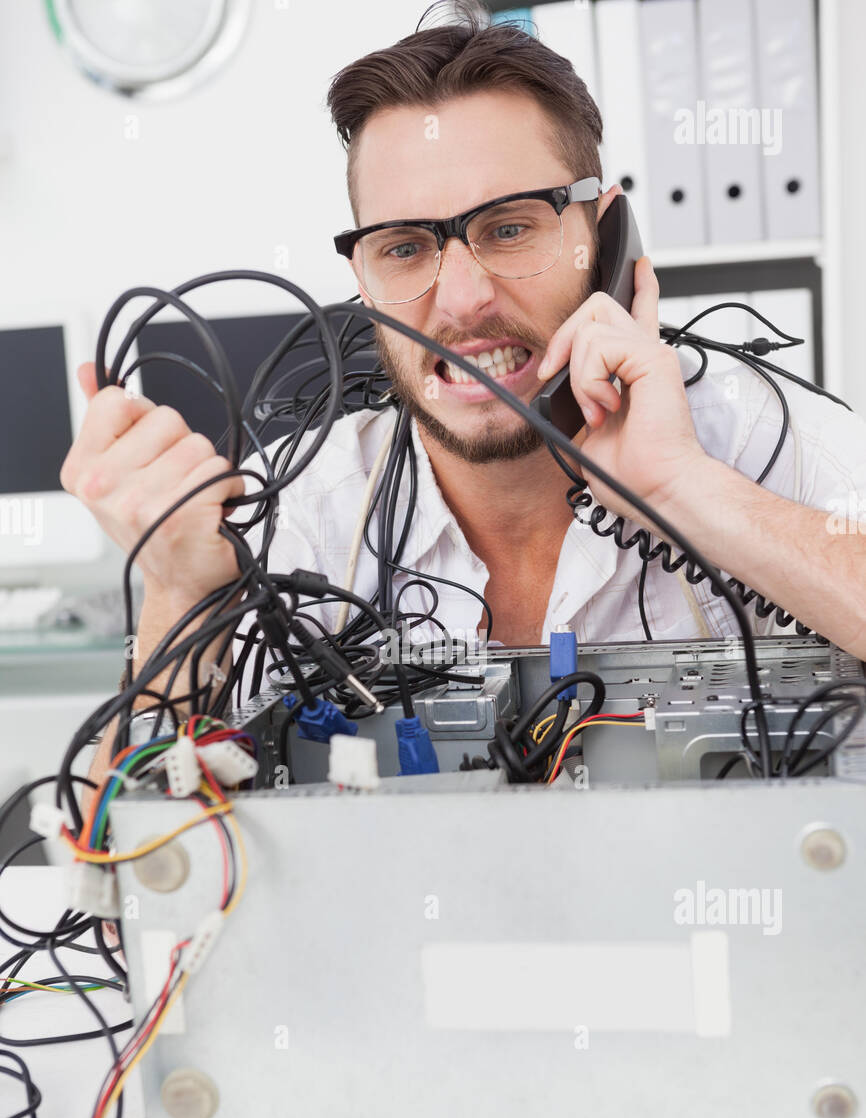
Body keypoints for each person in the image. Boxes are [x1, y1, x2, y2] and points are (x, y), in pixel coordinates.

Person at [60, 4, 866, 792]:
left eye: (510, 227)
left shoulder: (761, 436)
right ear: (364, 280)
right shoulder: (303, 506)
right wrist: (179, 593)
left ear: (608, 237)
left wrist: (685, 489)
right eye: (405, 248)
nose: (463, 300)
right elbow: (119, 886)